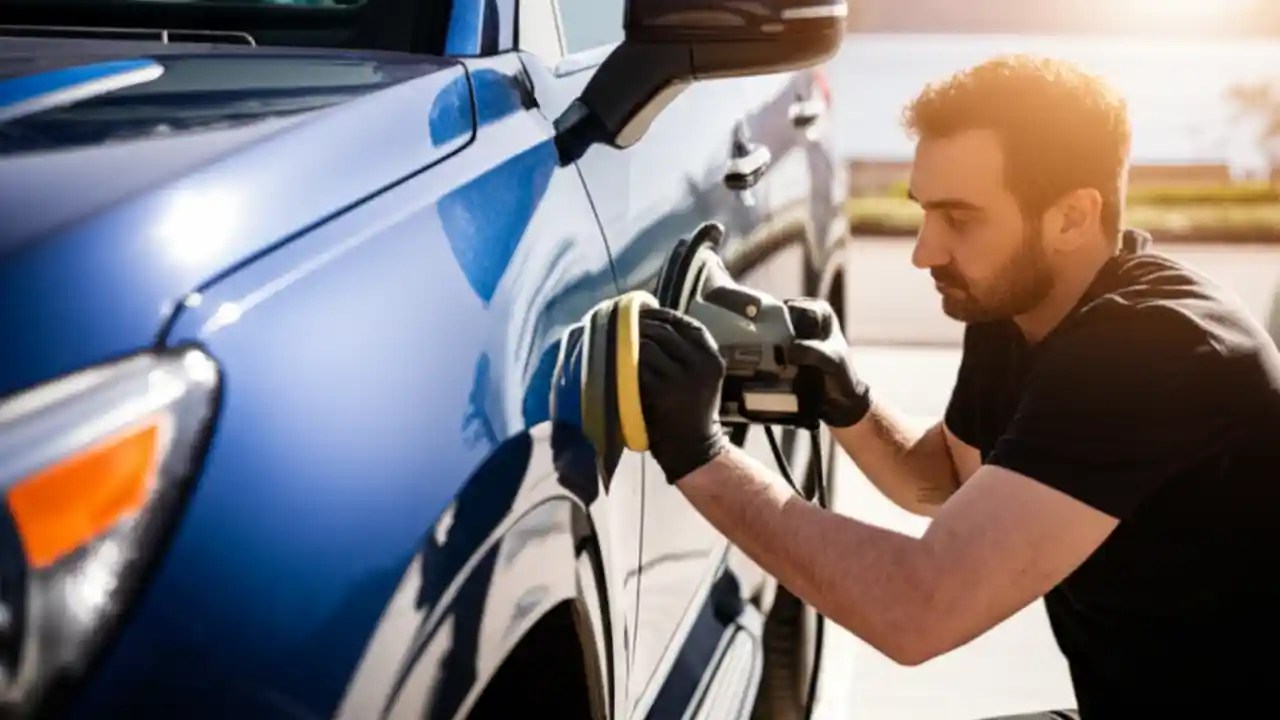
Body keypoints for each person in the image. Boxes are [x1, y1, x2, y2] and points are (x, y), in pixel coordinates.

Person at [635, 54, 1280, 718]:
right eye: (924, 213)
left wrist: (701, 454)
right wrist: (845, 397)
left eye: (960, 219)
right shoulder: (1018, 304)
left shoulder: (1150, 348)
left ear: (1071, 217)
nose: (925, 252)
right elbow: (949, 479)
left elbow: (917, 608)